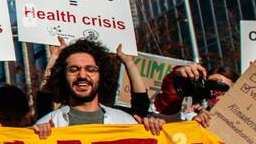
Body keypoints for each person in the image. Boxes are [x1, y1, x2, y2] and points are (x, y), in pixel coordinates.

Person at [34, 39, 165, 137]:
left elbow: (140, 106)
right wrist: (55, 57)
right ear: (62, 76)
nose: (82, 75)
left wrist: (129, 63)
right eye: (73, 70)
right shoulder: (49, 125)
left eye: (91, 69)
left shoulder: (125, 121)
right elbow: (43, 102)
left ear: (102, 75)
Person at [154, 61, 236, 119]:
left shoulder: (247, 126)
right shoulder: (192, 118)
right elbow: (168, 113)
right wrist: (174, 79)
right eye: (210, 86)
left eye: (221, 87)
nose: (214, 93)